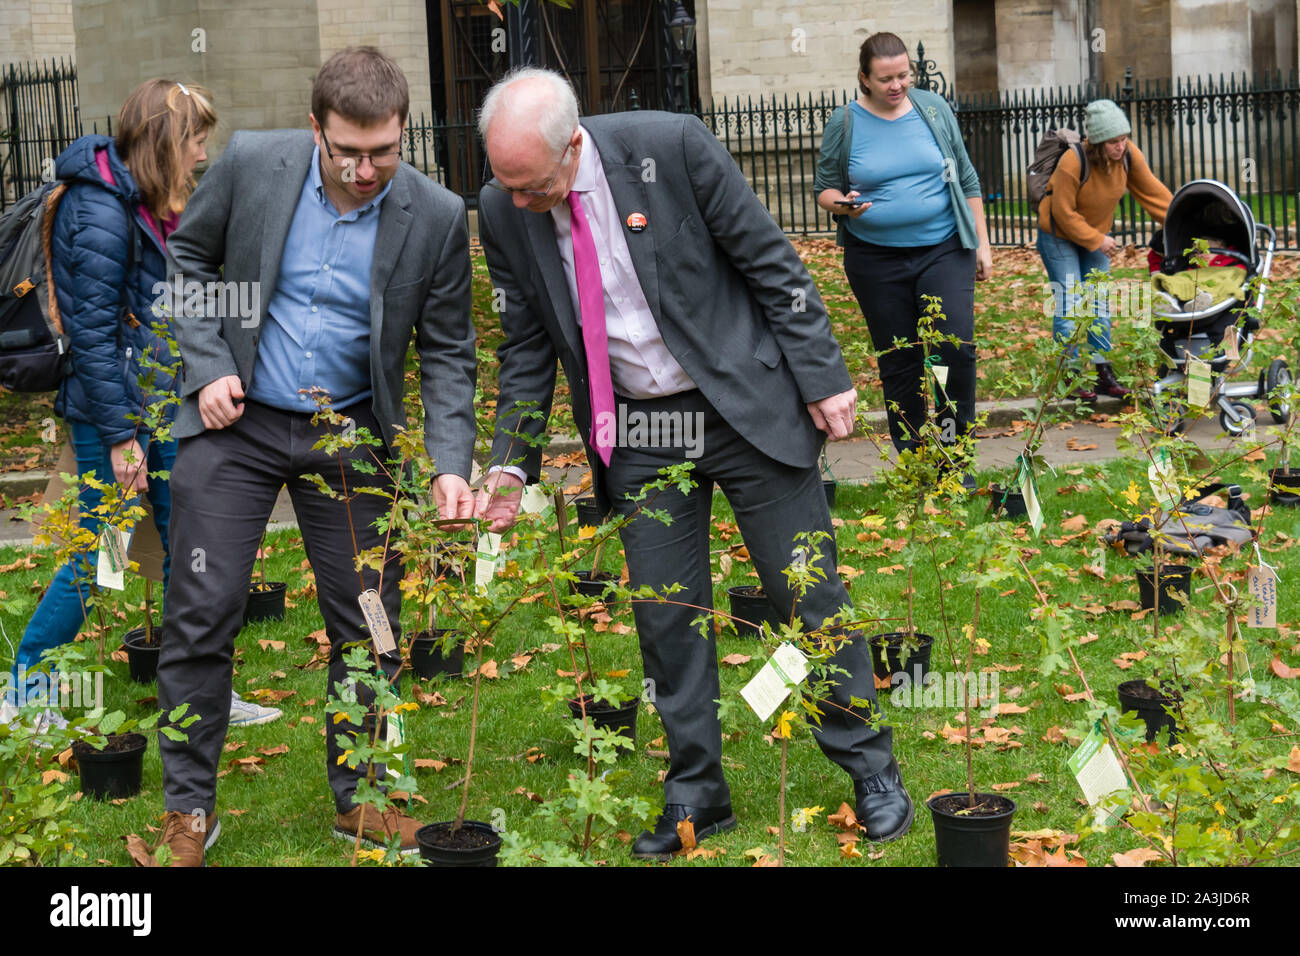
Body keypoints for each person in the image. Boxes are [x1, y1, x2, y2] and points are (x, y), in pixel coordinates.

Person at [473, 67, 912, 860]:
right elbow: (528, 344)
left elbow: (771, 264)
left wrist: (823, 376)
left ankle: (870, 767)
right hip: (639, 429)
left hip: (742, 407)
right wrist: (510, 464)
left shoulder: (671, 148)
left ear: (573, 147)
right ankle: (697, 794)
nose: (520, 203)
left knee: (806, 591)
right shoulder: (505, 211)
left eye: (533, 186)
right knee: (666, 615)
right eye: (506, 187)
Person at [154, 47, 477, 865]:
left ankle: (363, 799)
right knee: (202, 609)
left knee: (371, 623)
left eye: (385, 151)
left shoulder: (434, 215)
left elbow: (446, 351)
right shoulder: (256, 164)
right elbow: (188, 260)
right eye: (348, 152)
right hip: (241, 425)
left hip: (353, 437)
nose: (367, 171)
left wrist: (446, 460)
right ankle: (189, 811)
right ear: (314, 130)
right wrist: (209, 365)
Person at [1, 80, 222, 724]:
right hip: (119, 418)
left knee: (190, 540)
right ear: (165, 143)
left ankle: (201, 691)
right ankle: (26, 685)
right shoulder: (98, 210)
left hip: (160, 406)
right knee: (105, 549)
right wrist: (124, 436)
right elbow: (93, 336)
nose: (203, 156)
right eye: (196, 141)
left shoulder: (145, 201)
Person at [814, 32, 992, 476]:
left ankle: (953, 458)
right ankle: (915, 460)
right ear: (865, 79)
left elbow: (967, 179)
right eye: (886, 78)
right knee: (900, 357)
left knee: (951, 353)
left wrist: (982, 244)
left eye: (904, 75)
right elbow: (825, 189)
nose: (897, 85)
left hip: (944, 249)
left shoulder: (934, 110)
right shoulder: (846, 122)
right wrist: (844, 204)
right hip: (875, 259)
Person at [1036, 98, 1172, 401]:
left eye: (1124, 139)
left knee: (1098, 303)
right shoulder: (1072, 162)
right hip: (1059, 236)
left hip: (1094, 235)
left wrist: (1180, 221)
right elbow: (1063, 213)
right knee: (1070, 302)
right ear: (1097, 143)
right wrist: (1097, 240)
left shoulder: (1127, 156)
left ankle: (1103, 373)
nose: (1121, 146)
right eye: (1113, 142)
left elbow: (1153, 193)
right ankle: (1068, 376)